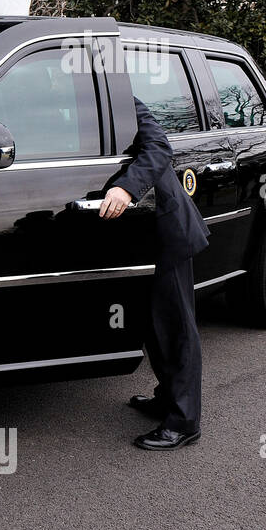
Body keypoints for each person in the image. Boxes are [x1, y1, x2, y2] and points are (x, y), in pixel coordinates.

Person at [98, 97, 211, 450]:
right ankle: (166, 399)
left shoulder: (120, 98)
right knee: (153, 325)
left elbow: (159, 148)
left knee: (176, 327)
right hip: (137, 237)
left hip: (165, 228)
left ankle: (184, 421)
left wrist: (125, 186)